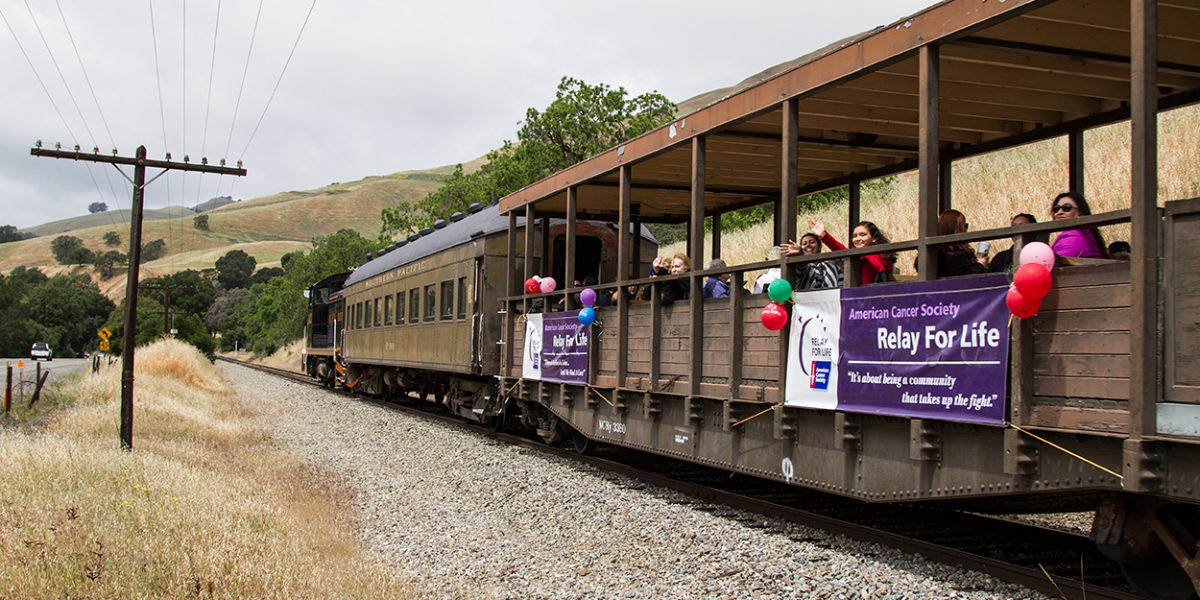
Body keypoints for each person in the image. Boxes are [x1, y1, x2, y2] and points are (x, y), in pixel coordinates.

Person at [812, 217, 894, 285]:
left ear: (874, 238)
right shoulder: (870, 257)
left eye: (863, 235)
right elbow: (843, 251)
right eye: (854, 236)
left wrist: (824, 236)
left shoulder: (872, 259)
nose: (857, 239)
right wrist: (824, 235)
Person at [914, 209, 986, 278]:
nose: (966, 230)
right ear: (958, 229)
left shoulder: (933, 251)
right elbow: (965, 276)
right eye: (965, 226)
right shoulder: (954, 254)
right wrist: (980, 264)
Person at [1049, 191, 1107, 258]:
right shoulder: (1086, 233)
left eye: (1066, 208)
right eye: (1056, 209)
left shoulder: (1073, 237)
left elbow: (1053, 266)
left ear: (1080, 212)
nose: (1059, 212)